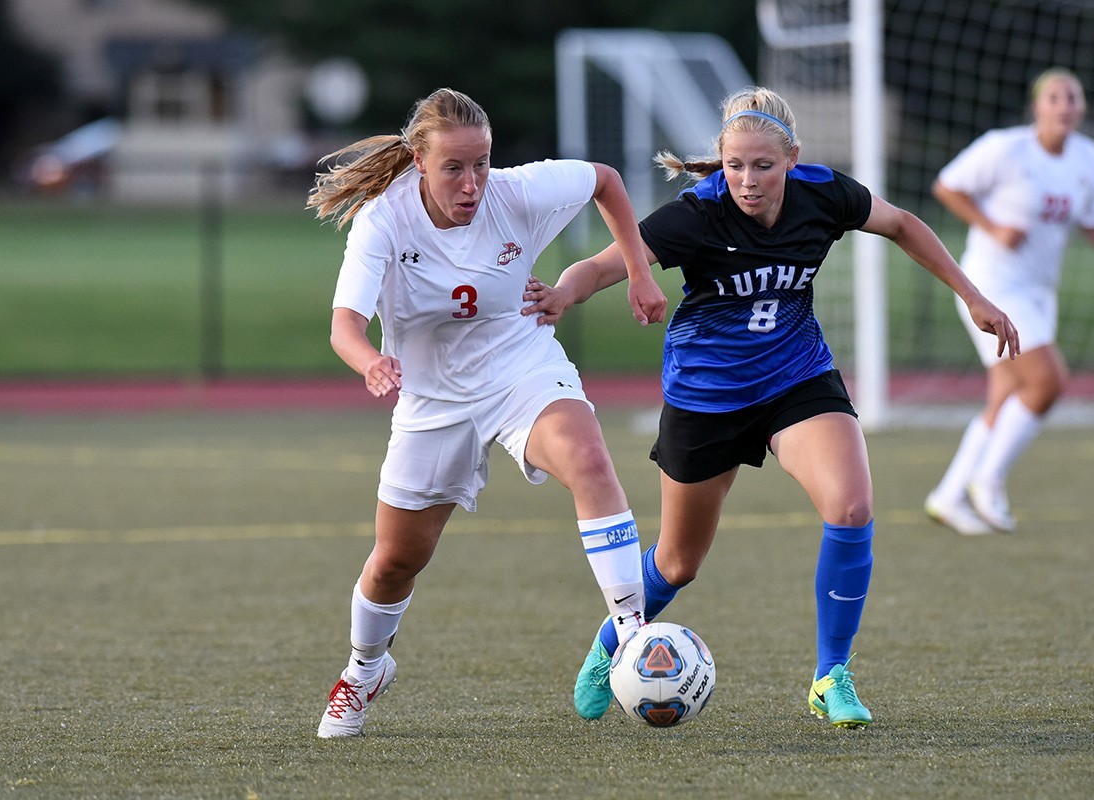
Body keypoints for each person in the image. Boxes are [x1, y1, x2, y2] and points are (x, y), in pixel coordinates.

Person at [521, 86, 1018, 727]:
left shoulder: (824, 193)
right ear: (719, 163)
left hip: (795, 377)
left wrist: (972, 295)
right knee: (678, 562)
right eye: (734, 166)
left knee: (852, 504)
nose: (747, 181)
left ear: (792, 160)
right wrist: (563, 292)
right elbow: (602, 265)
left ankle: (830, 676)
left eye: (763, 166)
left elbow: (901, 224)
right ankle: (610, 644)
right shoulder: (696, 215)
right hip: (707, 396)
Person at [306, 87, 668, 738]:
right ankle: (365, 668)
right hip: (432, 399)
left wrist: (639, 272)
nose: (473, 182)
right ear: (419, 160)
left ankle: (632, 635)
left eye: (482, 163)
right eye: (454, 167)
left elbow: (606, 182)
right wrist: (369, 362)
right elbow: (343, 325)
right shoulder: (383, 220)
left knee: (588, 458)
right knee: (395, 561)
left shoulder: (517, 191)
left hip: (518, 369)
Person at [924, 67, 1094, 536]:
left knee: (1005, 397)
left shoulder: (1086, 156)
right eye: (1055, 98)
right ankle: (989, 479)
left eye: (1072, 98)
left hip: (1040, 290)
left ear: (1082, 108)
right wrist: (993, 227)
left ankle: (947, 496)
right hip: (991, 286)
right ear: (1037, 106)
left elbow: (1093, 217)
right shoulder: (1005, 147)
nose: (1064, 106)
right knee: (1048, 382)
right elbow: (947, 185)